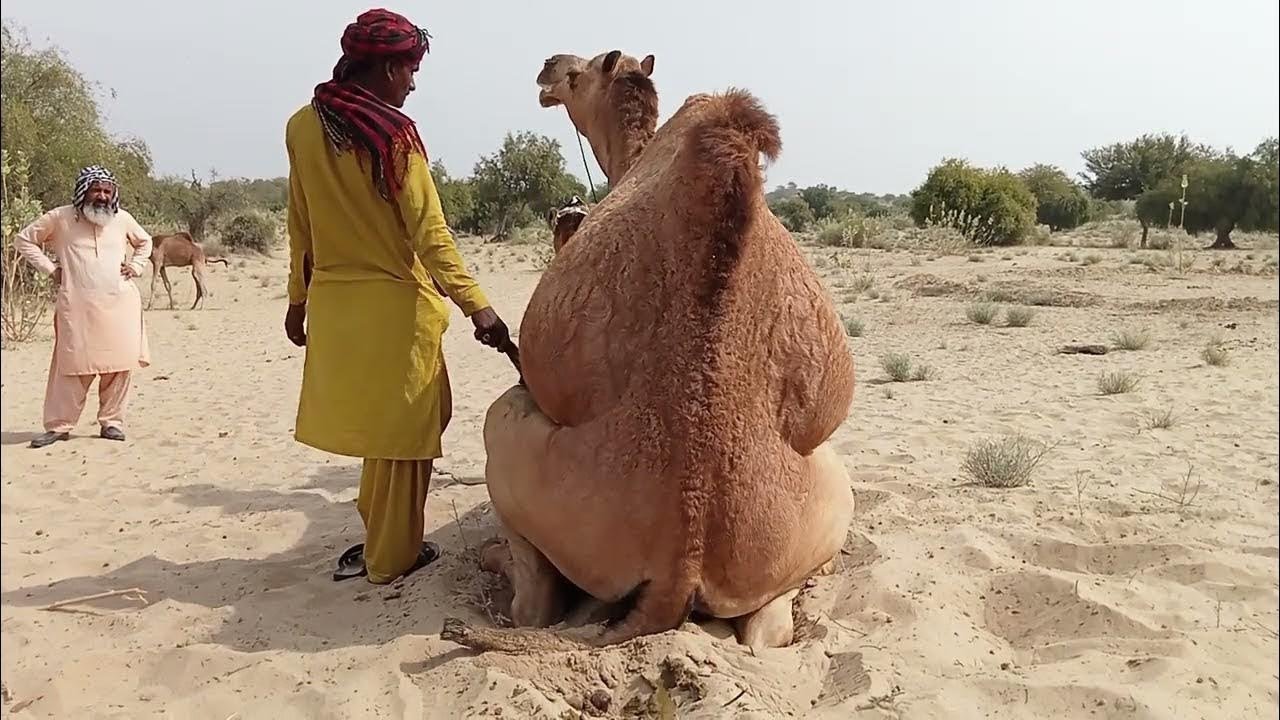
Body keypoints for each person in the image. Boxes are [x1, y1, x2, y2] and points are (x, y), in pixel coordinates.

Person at [284, 8, 511, 585]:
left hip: (337, 307)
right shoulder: (394, 137)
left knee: (380, 430)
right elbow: (431, 235)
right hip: (397, 313)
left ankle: (377, 527)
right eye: (410, 71)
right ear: (387, 68)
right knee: (409, 435)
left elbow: (299, 223)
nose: (412, 84)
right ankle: (391, 558)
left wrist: (298, 299)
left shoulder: (303, 126)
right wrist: (479, 307)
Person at [13, 166, 153, 449]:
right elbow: (24, 240)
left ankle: (112, 422)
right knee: (71, 366)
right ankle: (59, 426)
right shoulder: (60, 217)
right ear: (83, 191)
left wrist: (137, 266)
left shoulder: (122, 218)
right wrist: (51, 269)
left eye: (107, 191)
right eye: (96, 190)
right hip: (77, 306)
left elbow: (145, 242)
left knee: (119, 367)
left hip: (120, 305)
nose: (102, 196)